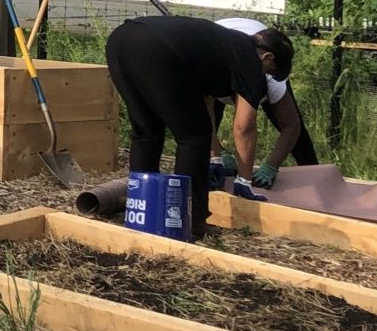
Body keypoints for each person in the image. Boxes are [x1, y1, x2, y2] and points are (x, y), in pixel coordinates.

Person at [104, 15, 300, 238]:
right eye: (270, 71)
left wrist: (216, 157)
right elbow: (244, 127)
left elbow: (203, 100)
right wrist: (244, 181)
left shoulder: (223, 45)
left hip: (120, 40)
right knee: (194, 138)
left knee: (147, 132)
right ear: (267, 57)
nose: (266, 77)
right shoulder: (250, 62)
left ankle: (139, 210)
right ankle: (191, 221)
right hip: (156, 48)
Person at [215, 15, 319, 178]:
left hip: (262, 47)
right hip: (221, 47)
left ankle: (314, 175)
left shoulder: (272, 78)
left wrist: (271, 166)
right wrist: (218, 152)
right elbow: (202, 119)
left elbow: (291, 126)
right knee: (206, 127)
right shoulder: (216, 72)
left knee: (299, 139)